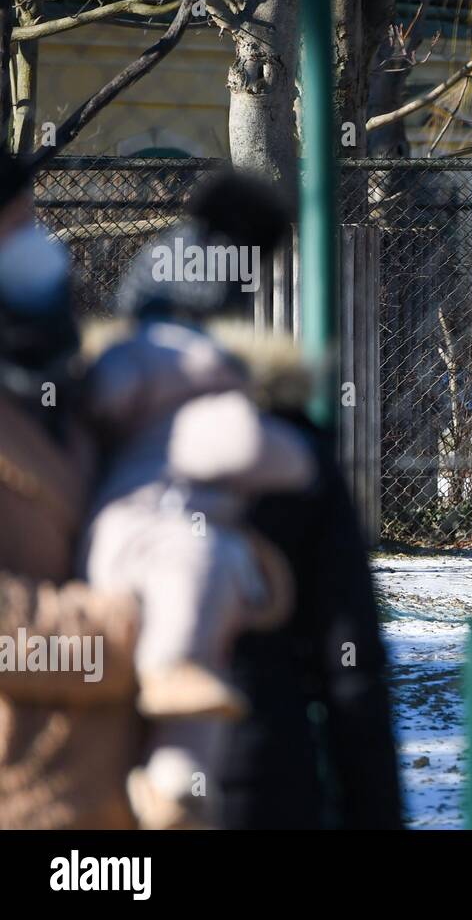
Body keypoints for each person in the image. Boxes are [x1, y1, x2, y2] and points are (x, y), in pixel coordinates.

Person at [79, 230, 318, 828]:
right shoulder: (244, 414)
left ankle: (174, 788)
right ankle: (173, 685)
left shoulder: (71, 429)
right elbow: (350, 658)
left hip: (85, 751)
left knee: (198, 710)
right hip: (257, 764)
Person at [0, 152, 142, 829]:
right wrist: (135, 632)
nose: (39, 247)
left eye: (34, 221)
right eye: (15, 226)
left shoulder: (77, 394)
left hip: (109, 806)